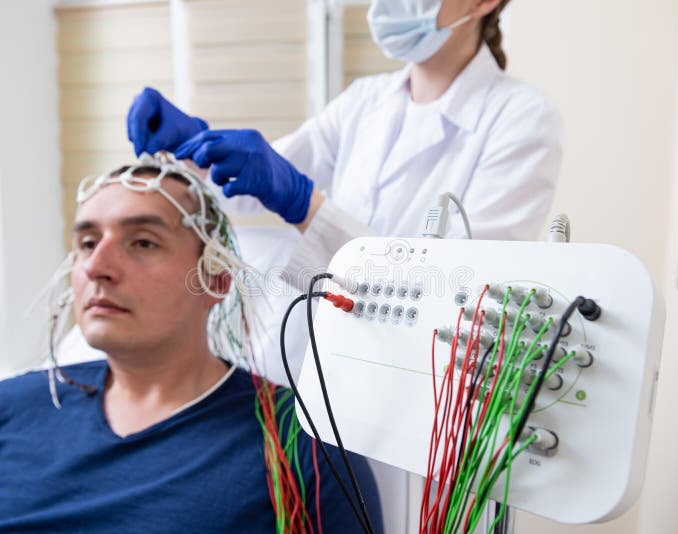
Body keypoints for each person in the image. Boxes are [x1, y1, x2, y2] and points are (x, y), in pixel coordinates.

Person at [125, 0, 563, 386]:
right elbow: (252, 186)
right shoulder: (366, 101)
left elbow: (458, 297)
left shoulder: (521, 119)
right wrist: (193, 146)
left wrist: (305, 205)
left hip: (407, 382)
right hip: (304, 354)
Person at [0, 158, 382, 533]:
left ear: (215, 279)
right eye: (87, 242)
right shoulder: (2, 411)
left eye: (143, 242)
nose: (97, 266)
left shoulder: (298, 444)